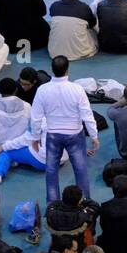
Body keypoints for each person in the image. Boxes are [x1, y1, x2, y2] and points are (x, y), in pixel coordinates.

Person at [30, 55, 98, 202]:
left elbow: (35, 117)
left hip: (53, 134)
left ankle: (53, 204)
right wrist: (94, 135)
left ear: (52, 69)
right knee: (80, 169)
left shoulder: (42, 90)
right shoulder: (77, 89)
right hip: (75, 134)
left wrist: (35, 137)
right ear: (68, 69)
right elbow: (87, 114)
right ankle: (85, 201)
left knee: (51, 170)